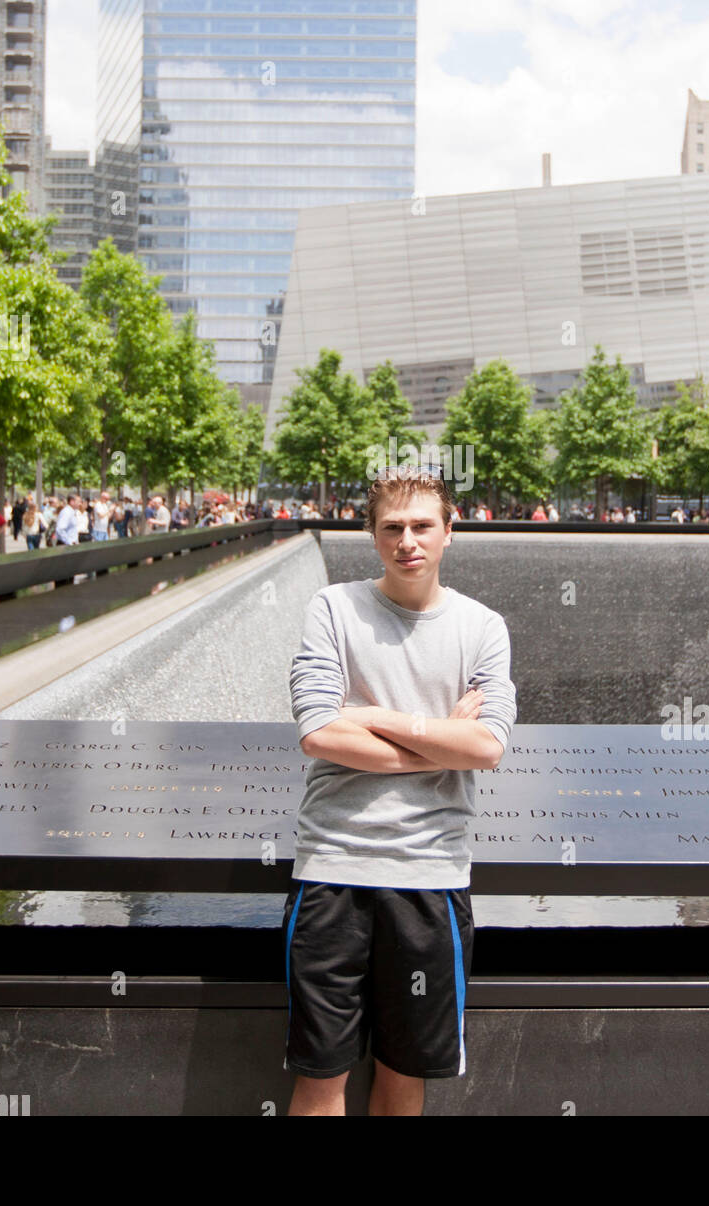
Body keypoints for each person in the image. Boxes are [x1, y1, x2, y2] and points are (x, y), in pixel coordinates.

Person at [283, 466, 516, 1116]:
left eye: (421, 526)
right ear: (372, 534)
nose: (407, 540)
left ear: (449, 531)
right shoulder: (333, 608)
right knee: (319, 1078)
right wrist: (439, 742)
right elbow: (320, 734)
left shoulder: (483, 628)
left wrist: (370, 716)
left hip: (429, 881)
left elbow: (487, 747)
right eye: (392, 528)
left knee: (402, 1076)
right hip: (332, 872)